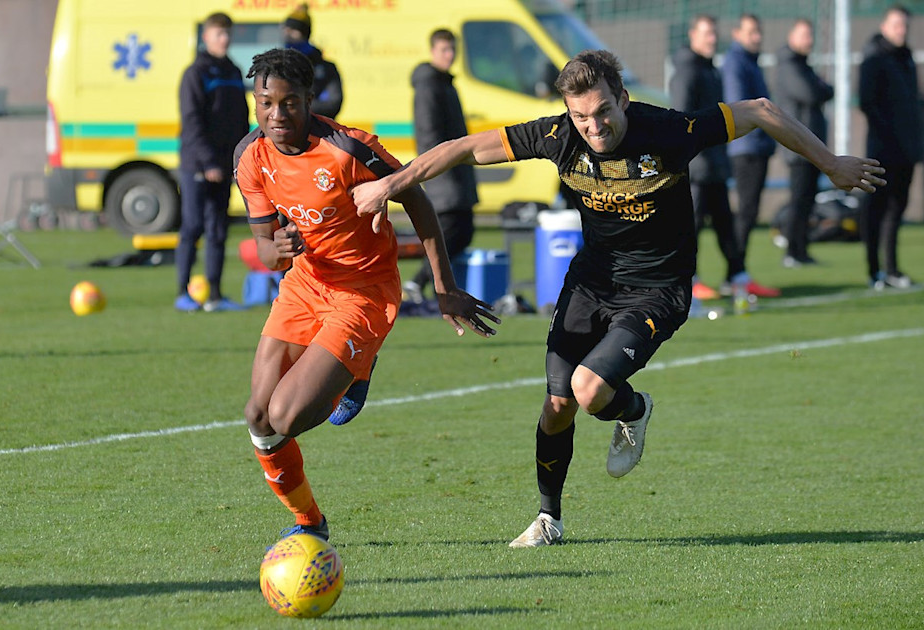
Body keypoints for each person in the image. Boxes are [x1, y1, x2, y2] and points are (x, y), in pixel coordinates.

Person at [352, 49, 884, 547]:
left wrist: (830, 162)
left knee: (587, 389)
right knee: (558, 404)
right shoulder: (558, 137)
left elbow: (763, 110)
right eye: (581, 116)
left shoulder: (671, 131)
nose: (594, 126)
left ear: (622, 99)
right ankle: (548, 518)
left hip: (657, 289)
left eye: (603, 111)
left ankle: (635, 407)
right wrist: (391, 185)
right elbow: (462, 148)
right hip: (591, 282)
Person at [235, 48, 499, 541]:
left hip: (364, 292)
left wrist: (444, 289)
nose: (275, 115)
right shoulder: (250, 157)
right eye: (264, 102)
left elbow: (416, 198)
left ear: (310, 101)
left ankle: (360, 363)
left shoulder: (348, 149)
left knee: (285, 416)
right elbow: (266, 254)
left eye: (288, 103)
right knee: (257, 415)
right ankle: (310, 523)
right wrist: (279, 248)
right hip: (304, 285)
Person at [669, 14, 747, 303]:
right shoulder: (687, 71)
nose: (712, 39)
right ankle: (690, 280)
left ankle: (738, 276)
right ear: (693, 35)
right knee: (691, 226)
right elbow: (682, 119)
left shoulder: (710, 69)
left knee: (725, 223)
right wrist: (693, 160)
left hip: (715, 163)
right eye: (706, 34)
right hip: (697, 166)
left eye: (714, 33)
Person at [174, 12, 249, 312]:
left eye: (228, 33)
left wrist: (240, 157)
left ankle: (215, 295)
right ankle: (182, 293)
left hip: (224, 163)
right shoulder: (196, 73)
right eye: (219, 34)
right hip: (198, 164)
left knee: (218, 229)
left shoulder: (233, 71)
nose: (224, 39)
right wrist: (208, 163)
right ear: (206, 37)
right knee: (192, 227)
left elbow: (241, 118)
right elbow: (192, 122)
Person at [404, 28, 479, 303]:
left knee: (461, 230)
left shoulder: (444, 82)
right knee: (453, 231)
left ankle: (430, 285)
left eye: (452, 50)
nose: (450, 55)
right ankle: (420, 283)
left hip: (455, 170)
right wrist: (439, 167)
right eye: (445, 50)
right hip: (445, 172)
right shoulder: (429, 84)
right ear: (433, 51)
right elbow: (428, 133)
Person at [859, 5, 922, 289]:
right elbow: (867, 102)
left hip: (906, 150)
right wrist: (888, 135)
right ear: (885, 25)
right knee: (877, 209)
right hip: (883, 151)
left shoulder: (906, 57)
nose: (902, 30)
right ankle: (875, 272)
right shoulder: (874, 58)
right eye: (897, 25)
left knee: (897, 210)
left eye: (905, 25)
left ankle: (893, 268)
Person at [722, 14, 780, 298]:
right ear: (737, 33)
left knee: (746, 211)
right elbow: (741, 107)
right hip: (746, 149)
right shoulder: (736, 62)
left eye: (759, 31)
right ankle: (736, 275)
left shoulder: (748, 61)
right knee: (745, 212)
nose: (756, 37)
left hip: (754, 148)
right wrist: (759, 137)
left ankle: (736, 273)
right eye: (751, 32)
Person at [775, 18, 834, 268]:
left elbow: (826, 90)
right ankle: (791, 250)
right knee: (799, 199)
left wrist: (822, 87)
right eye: (803, 35)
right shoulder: (789, 64)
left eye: (810, 35)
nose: (808, 40)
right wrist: (821, 87)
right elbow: (811, 93)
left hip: (810, 146)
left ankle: (801, 249)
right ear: (792, 36)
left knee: (808, 199)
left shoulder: (803, 65)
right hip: (797, 146)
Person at [282, 3, 343, 119]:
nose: (287, 35)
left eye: (293, 30)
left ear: (304, 34)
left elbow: (333, 103)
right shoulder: (279, 65)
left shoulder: (325, 68)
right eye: (286, 30)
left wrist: (297, 107)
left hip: (318, 129)